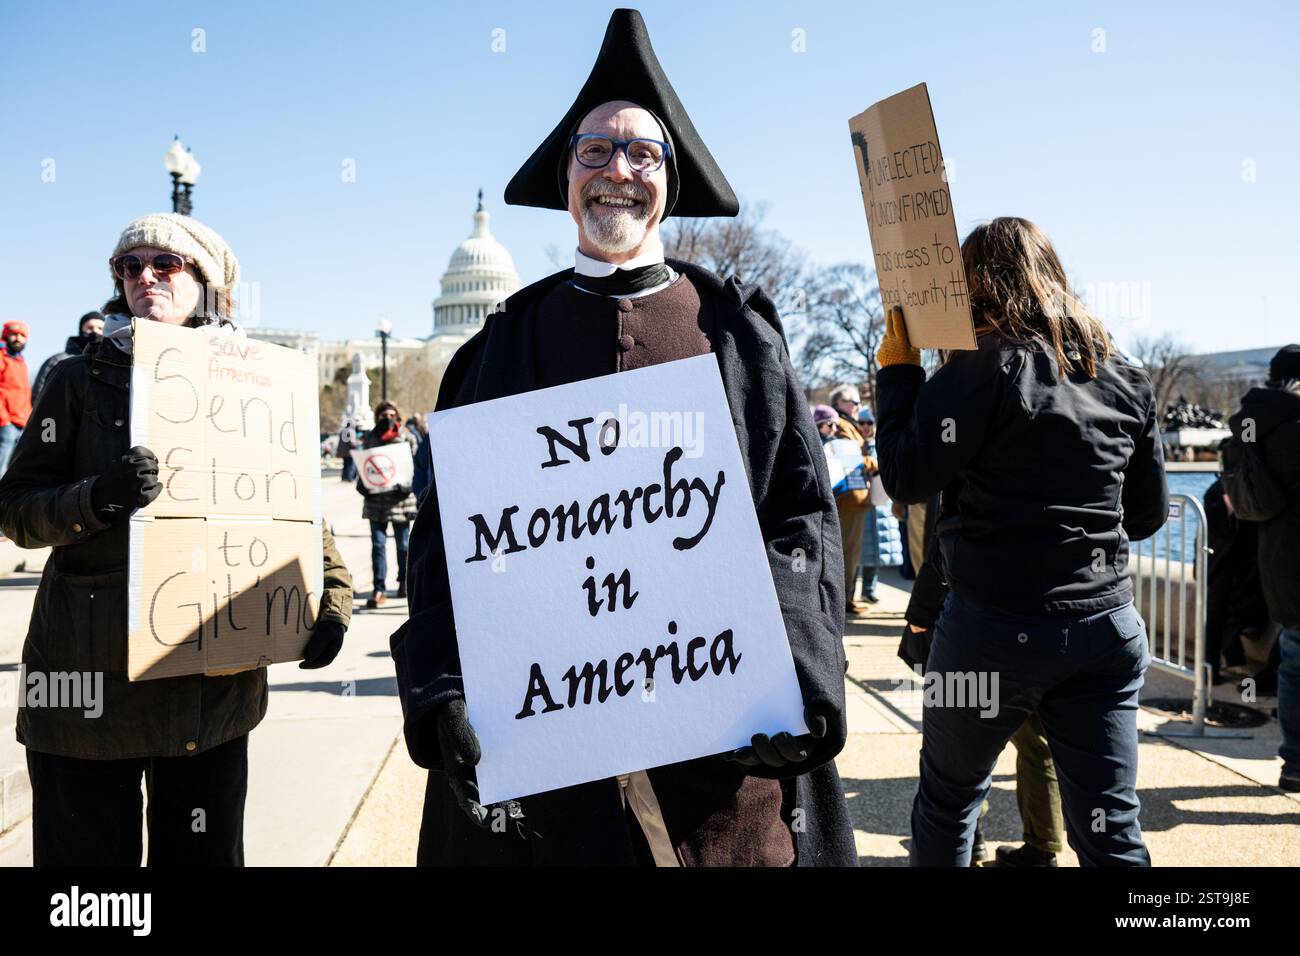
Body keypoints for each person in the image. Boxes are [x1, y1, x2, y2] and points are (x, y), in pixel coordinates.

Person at [391, 8, 853, 867]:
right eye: (595, 151)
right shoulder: (499, 349)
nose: (618, 172)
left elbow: (799, 517)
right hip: (551, 783)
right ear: (566, 178)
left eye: (643, 153)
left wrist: (797, 665)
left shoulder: (743, 340)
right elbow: (445, 541)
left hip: (722, 771)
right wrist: (443, 684)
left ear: (670, 182)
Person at [0, 213, 354, 866]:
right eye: (129, 267)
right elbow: (16, 510)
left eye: (165, 264)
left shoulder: (256, 385)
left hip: (210, 699)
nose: (144, 277)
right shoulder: (78, 380)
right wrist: (96, 497)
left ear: (211, 284)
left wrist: (331, 602)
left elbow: (297, 510)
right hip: (89, 699)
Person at [875, 216, 1168, 866]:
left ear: (973, 283)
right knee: (1112, 830)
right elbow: (1145, 516)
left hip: (991, 630)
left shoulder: (982, 365)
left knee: (951, 803)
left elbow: (905, 474)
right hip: (1104, 631)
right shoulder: (1124, 372)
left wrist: (899, 372)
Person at [1224, 344, 1300, 791]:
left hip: (1276, 566)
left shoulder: (1251, 428)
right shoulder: (1294, 428)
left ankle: (1294, 763)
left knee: (1292, 662)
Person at [356, 399, 419, 608]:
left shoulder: (407, 438)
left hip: (400, 501)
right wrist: (362, 485)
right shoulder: (370, 437)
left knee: (403, 545)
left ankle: (404, 583)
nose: (388, 419)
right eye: (384, 416)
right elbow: (363, 465)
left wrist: (409, 486)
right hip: (375, 502)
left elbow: (416, 466)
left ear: (398, 417)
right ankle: (379, 588)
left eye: (392, 415)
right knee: (378, 545)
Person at [827, 384, 876, 615]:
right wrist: (876, 463)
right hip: (848, 498)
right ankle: (842, 601)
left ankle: (846, 599)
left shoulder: (846, 425)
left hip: (853, 498)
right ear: (840, 403)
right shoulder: (842, 426)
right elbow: (852, 456)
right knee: (848, 552)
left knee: (852, 552)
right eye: (854, 402)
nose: (858, 407)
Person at [32, 311, 104, 405]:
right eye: (90, 328)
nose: (95, 331)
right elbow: (40, 396)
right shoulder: (58, 361)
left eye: (100, 328)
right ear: (81, 330)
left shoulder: (112, 363)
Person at [0, 319, 33, 478]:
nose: (18, 338)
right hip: (5, 424)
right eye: (13, 334)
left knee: (13, 468)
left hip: (21, 423)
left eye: (22, 335)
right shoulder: (2, 357)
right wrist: (3, 419)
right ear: (5, 336)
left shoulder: (20, 361)